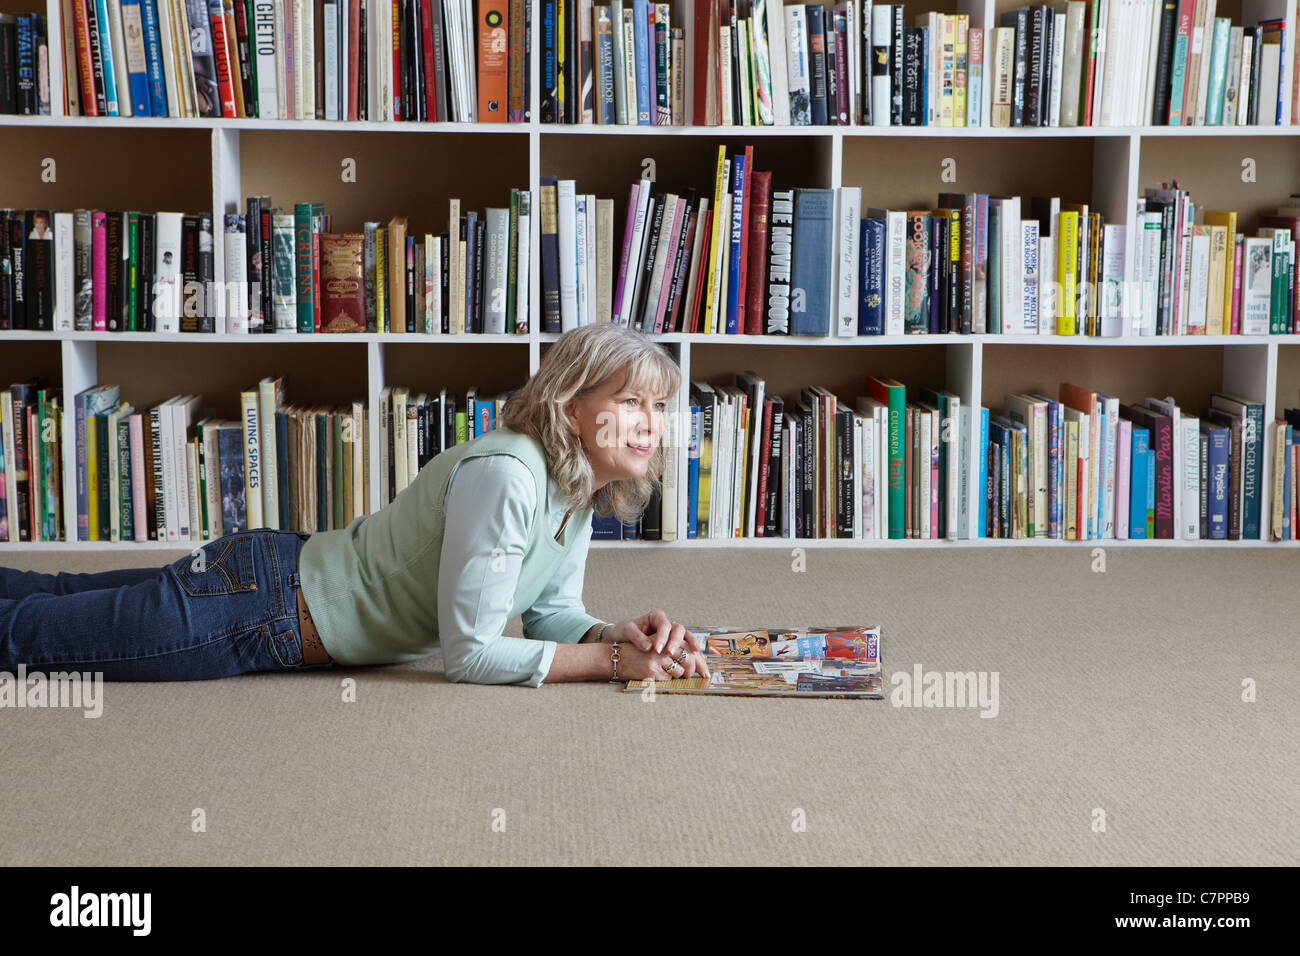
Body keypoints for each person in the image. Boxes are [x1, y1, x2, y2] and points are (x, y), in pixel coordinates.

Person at [0, 324, 710, 686]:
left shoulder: (575, 487)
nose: (651, 422)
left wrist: (609, 634)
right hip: (262, 610)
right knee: (32, 642)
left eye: (658, 407)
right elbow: (470, 655)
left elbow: (548, 614)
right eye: (631, 402)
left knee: (52, 594)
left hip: (272, 581)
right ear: (572, 405)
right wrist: (612, 664)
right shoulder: (510, 476)